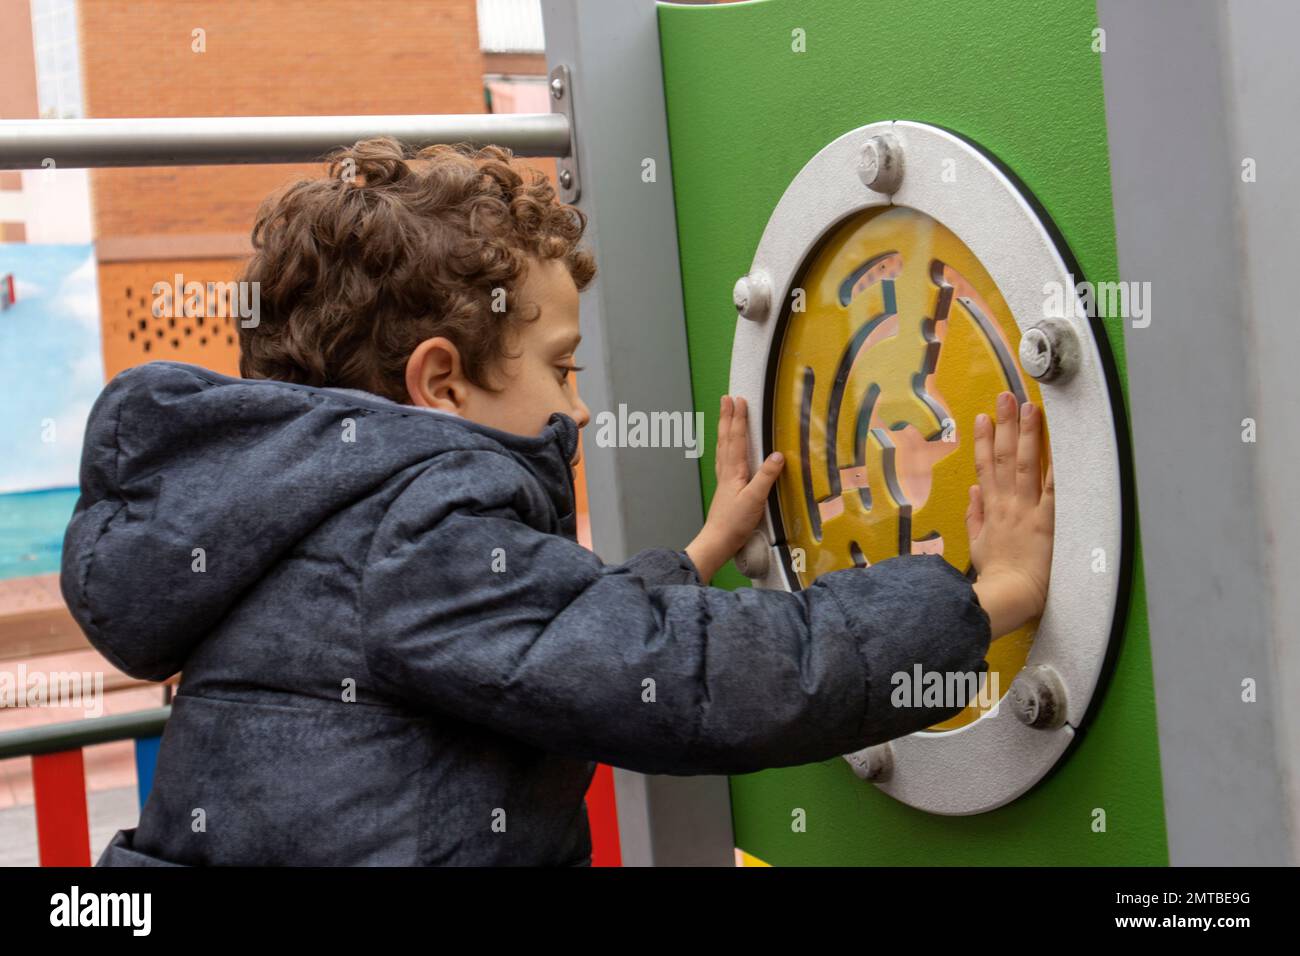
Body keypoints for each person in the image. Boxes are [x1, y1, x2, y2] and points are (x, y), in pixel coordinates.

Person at [61, 138, 1053, 866]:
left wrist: (697, 553)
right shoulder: (415, 527)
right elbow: (699, 678)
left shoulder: (293, 505)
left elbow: (532, 639)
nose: (578, 406)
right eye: (559, 366)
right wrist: (980, 594)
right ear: (441, 380)